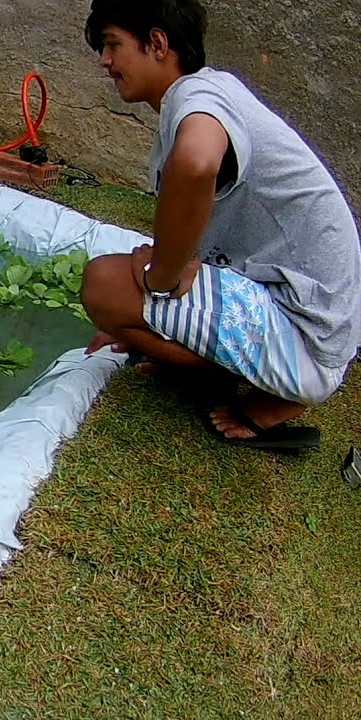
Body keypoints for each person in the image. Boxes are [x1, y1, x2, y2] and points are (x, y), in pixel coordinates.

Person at [78, 0, 360, 451]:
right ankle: (225, 366)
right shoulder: (208, 93)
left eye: (112, 45)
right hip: (308, 314)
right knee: (128, 295)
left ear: (157, 43)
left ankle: (280, 397)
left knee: (105, 284)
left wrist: (162, 279)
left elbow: (195, 162)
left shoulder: (197, 98)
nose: (104, 61)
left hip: (308, 339)